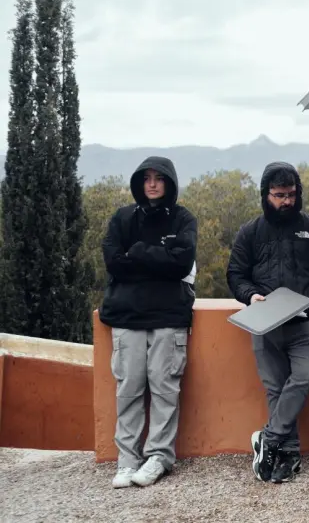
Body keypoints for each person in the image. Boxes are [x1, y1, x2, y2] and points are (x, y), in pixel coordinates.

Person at [226, 161, 309, 483]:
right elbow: (235, 274)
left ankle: (268, 437)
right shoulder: (249, 232)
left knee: (303, 378)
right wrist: (251, 296)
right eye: (279, 195)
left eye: (291, 194)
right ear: (266, 195)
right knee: (275, 389)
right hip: (265, 324)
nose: (286, 201)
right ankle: (286, 454)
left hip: (308, 324)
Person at [98, 156, 198, 489]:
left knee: (164, 386)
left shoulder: (183, 219)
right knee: (128, 387)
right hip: (127, 315)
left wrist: (138, 252)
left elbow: (182, 263)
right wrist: (157, 257)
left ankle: (158, 456)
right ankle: (127, 460)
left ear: (169, 183)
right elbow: (113, 262)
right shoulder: (123, 217)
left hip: (170, 314)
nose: (152, 183)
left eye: (159, 178)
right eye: (147, 178)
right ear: (139, 183)